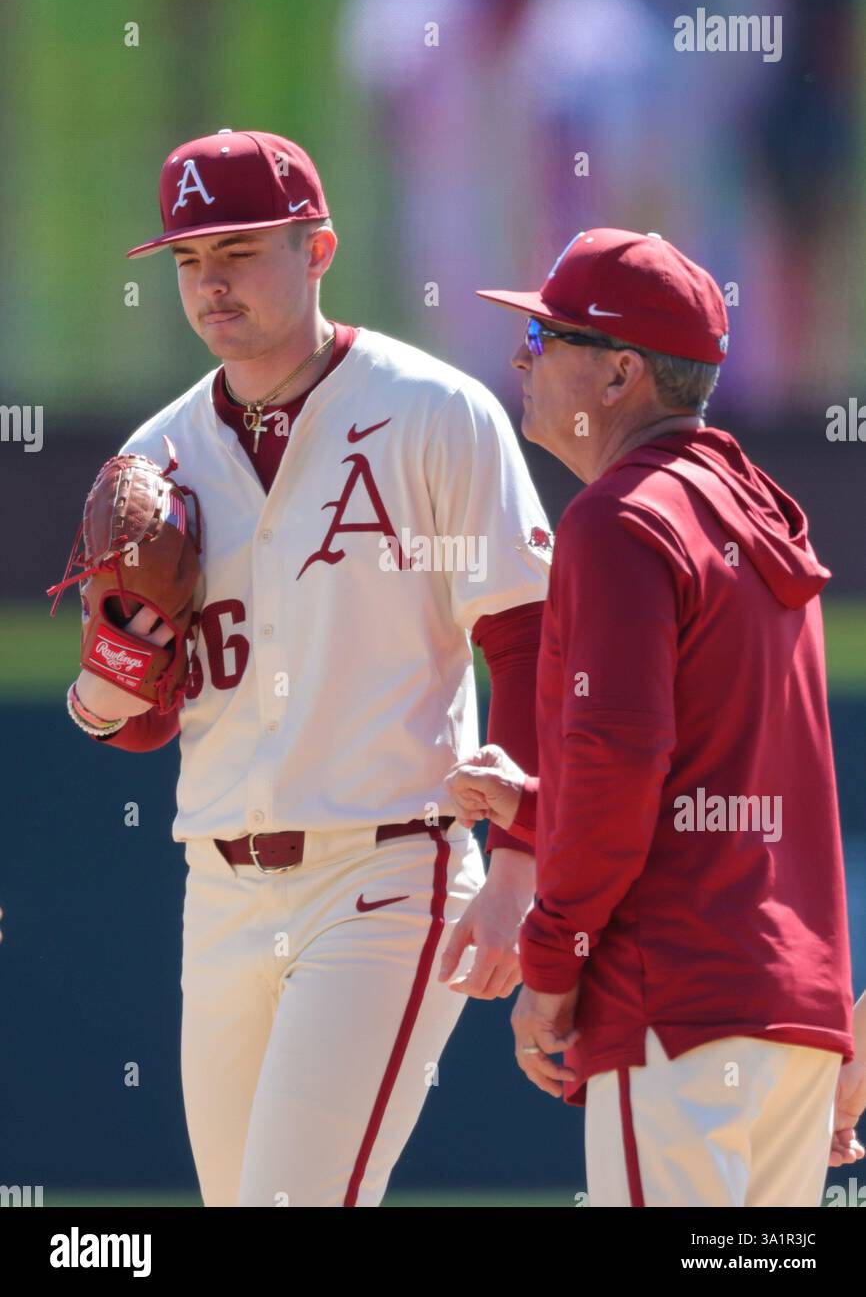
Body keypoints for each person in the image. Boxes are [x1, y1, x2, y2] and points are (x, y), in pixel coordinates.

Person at [65, 129, 551, 1207]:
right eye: (189, 259)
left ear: (318, 246)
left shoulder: (434, 411)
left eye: (238, 248)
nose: (211, 282)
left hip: (384, 867)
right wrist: (109, 690)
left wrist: (518, 863)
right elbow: (141, 718)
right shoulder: (157, 459)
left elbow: (525, 643)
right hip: (221, 886)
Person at [446, 227, 855, 1206]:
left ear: (620, 371)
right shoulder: (751, 513)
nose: (519, 360)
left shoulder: (622, 518)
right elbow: (701, 777)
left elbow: (621, 767)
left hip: (672, 998)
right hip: (792, 1019)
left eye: (547, 340)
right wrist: (543, 806)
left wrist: (550, 958)